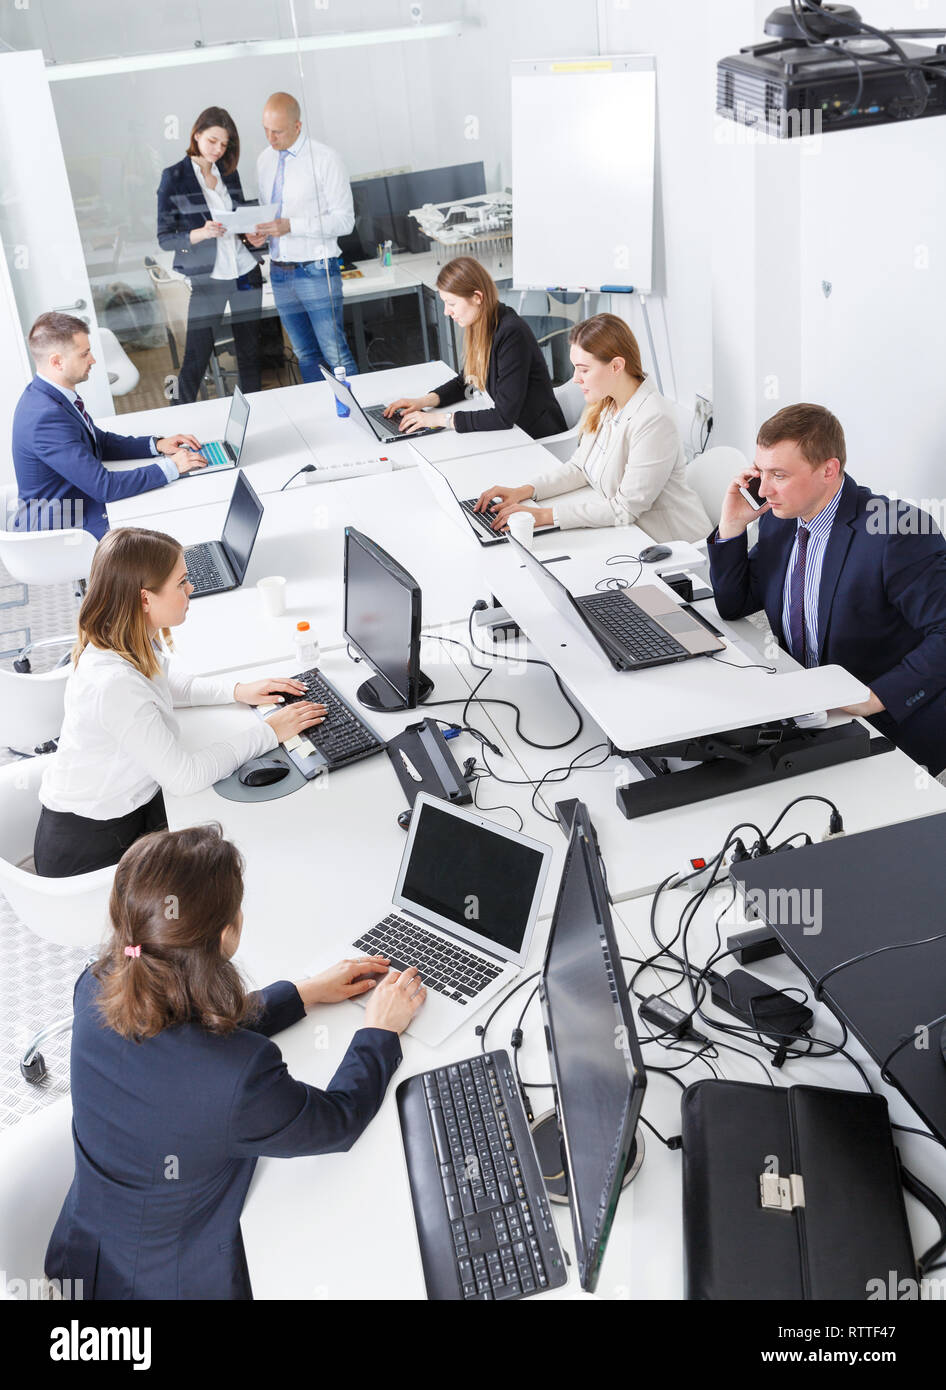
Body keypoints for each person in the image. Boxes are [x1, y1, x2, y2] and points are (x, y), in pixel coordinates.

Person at [45, 823, 425, 1299]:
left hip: (85, 1256)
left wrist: (301, 993)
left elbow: (182, 1031)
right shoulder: (240, 1078)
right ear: (228, 934)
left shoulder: (96, 983)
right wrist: (379, 1031)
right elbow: (339, 1121)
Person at [34, 527, 326, 878]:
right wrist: (269, 732)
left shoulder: (125, 636)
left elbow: (168, 686)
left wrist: (238, 691)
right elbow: (184, 777)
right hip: (92, 847)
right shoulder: (113, 684)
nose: (191, 590)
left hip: (128, 807)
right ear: (145, 599)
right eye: (181, 582)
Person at [707, 402, 946, 775]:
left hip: (883, 721)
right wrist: (732, 525)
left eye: (779, 475)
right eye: (762, 472)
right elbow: (734, 603)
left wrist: (875, 697)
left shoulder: (896, 531)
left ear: (828, 470)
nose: (765, 489)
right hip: (804, 706)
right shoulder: (781, 520)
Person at [470, 313, 711, 540]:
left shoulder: (654, 419)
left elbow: (624, 509)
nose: (575, 378)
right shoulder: (607, 402)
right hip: (626, 535)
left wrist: (545, 515)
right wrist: (525, 491)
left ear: (616, 366)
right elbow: (579, 467)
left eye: (584, 369)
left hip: (672, 547)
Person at [12, 313, 208, 540]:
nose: (93, 360)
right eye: (84, 354)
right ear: (57, 361)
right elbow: (105, 487)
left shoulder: (52, 395)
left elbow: (99, 442)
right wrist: (171, 467)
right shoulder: (45, 417)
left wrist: (156, 445)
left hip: (78, 503)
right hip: (65, 527)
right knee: (171, 525)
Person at [384, 256, 566, 439]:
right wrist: (422, 402)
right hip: (514, 434)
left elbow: (503, 417)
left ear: (477, 297)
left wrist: (439, 420)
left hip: (537, 439)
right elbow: (467, 381)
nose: (446, 312)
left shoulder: (511, 334)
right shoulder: (483, 326)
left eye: (452, 303)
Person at [156, 106, 263, 404]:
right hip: (209, 277)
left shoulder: (229, 172)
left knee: (251, 354)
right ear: (197, 134)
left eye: (224, 144)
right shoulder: (174, 177)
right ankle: (177, 414)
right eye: (213, 141)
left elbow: (239, 221)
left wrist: (250, 235)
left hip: (245, 273)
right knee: (196, 356)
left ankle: (257, 414)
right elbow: (165, 239)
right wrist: (200, 233)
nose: (218, 149)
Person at [249, 92, 357, 382]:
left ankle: (361, 417)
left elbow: (345, 221)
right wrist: (262, 233)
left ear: (297, 126)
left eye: (278, 131)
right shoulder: (264, 160)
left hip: (316, 270)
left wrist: (291, 226)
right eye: (266, 130)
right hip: (280, 271)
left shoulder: (324, 159)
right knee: (305, 353)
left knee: (335, 354)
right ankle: (322, 416)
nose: (271, 138)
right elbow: (269, 213)